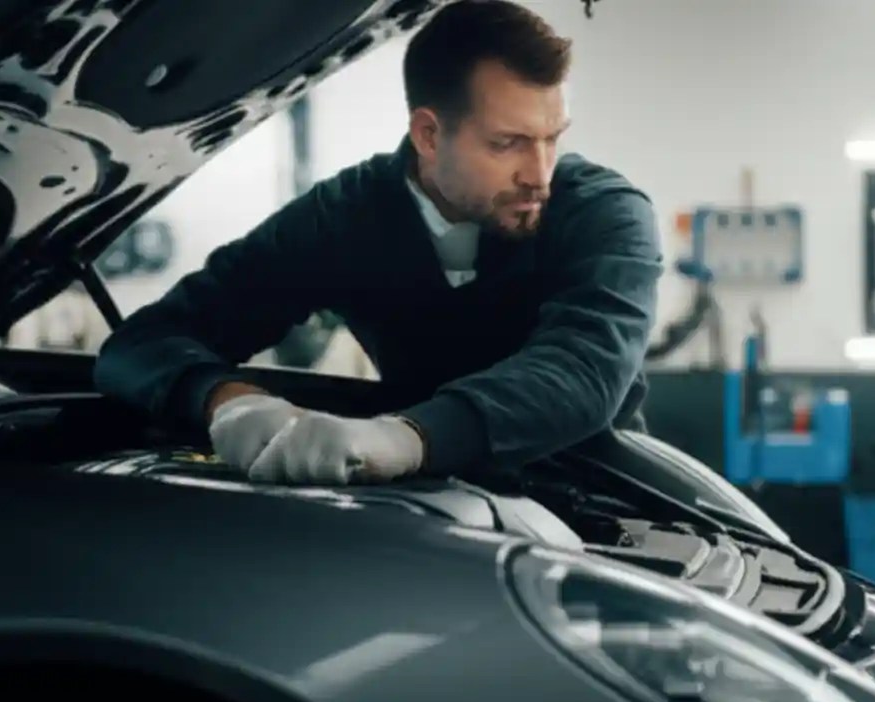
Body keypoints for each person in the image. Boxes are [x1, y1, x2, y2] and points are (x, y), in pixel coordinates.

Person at [92, 0, 663, 484]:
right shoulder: (343, 218)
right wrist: (228, 401)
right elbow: (142, 344)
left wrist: (405, 438)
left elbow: (583, 370)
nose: (539, 174)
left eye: (551, 139)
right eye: (508, 143)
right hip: (423, 520)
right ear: (429, 135)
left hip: (608, 504)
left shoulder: (606, 215)